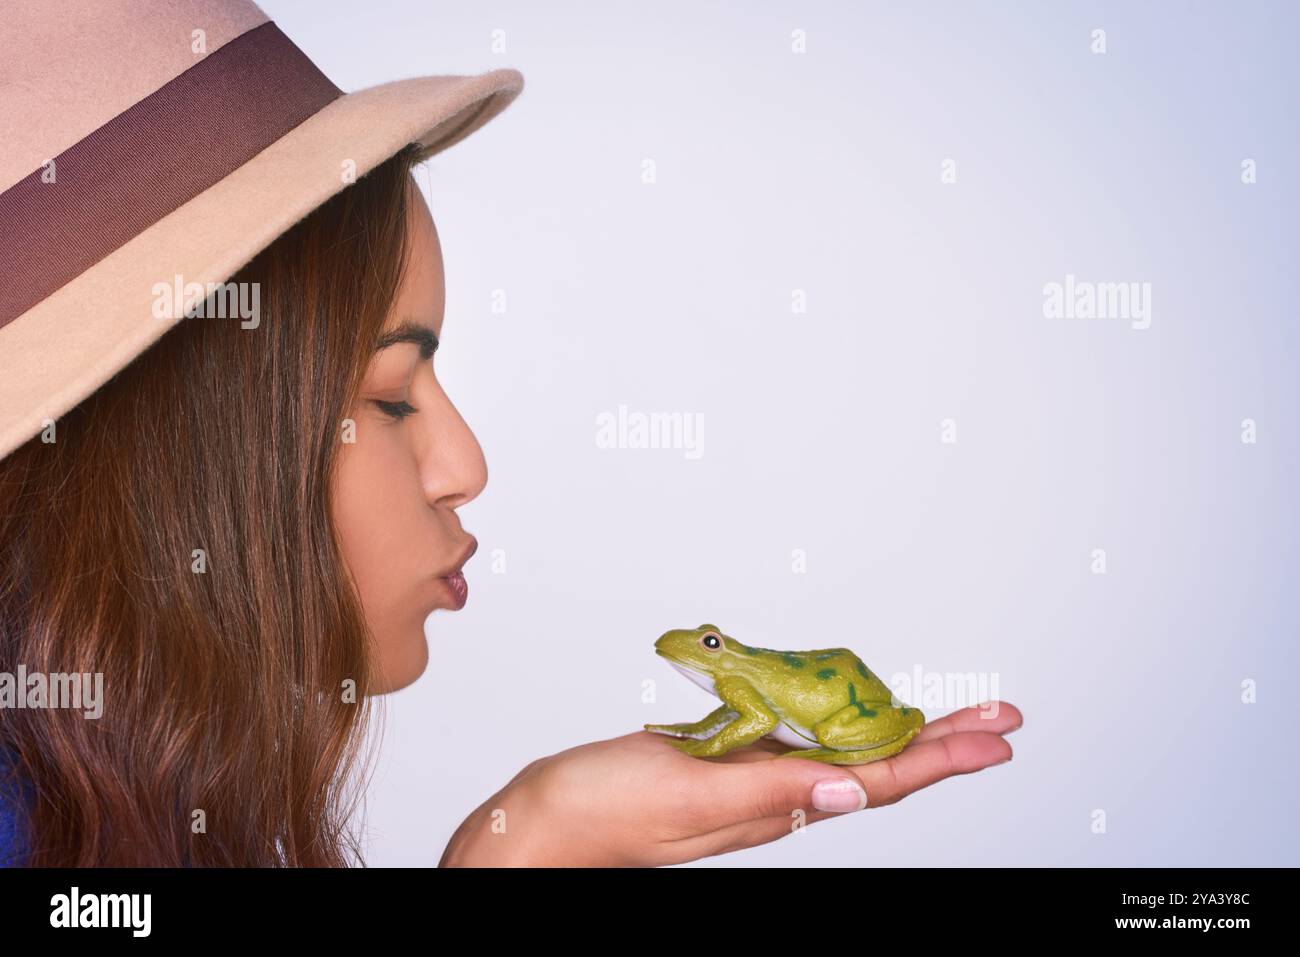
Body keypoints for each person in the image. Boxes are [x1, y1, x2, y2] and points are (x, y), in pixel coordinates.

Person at [0, 1, 1021, 867]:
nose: (465, 469)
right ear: (169, 452)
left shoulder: (120, 804)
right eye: (392, 397)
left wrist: (529, 832)